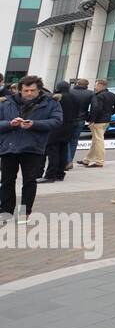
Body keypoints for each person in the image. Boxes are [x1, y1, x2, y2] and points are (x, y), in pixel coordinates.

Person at [0, 76, 63, 220]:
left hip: (33, 147)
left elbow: (57, 121)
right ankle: (5, 212)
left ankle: (24, 213)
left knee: (29, 181)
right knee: (7, 181)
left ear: (39, 90)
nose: (29, 93)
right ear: (19, 90)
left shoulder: (51, 103)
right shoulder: (6, 102)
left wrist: (34, 124)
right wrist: (10, 124)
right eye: (26, 90)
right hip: (9, 147)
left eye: (32, 90)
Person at [84, 79, 115, 169]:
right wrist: (110, 113)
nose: (95, 87)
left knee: (98, 140)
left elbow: (96, 108)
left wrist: (92, 120)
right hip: (106, 120)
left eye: (96, 85)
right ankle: (87, 159)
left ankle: (99, 161)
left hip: (98, 121)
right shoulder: (112, 95)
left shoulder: (98, 96)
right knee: (95, 140)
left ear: (101, 85)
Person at [66, 78, 92, 169]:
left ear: (77, 83)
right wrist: (90, 117)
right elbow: (95, 106)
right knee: (74, 140)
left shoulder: (70, 92)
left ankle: (67, 161)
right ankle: (70, 161)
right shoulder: (90, 93)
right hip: (81, 119)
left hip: (70, 118)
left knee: (67, 140)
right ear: (86, 85)